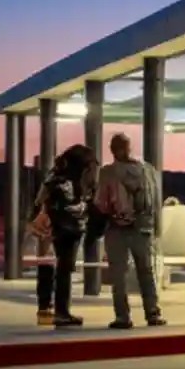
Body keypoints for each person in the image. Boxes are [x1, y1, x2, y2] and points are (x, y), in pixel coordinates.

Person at [94, 133, 166, 329]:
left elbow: (101, 203)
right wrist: (156, 229)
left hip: (117, 229)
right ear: (129, 147)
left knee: (118, 275)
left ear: (112, 150)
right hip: (143, 228)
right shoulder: (148, 170)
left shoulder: (107, 172)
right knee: (146, 272)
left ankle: (122, 317)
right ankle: (153, 313)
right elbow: (156, 202)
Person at [28, 145, 97, 328]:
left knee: (52, 268)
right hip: (66, 228)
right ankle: (60, 312)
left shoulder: (54, 175)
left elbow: (39, 200)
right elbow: (80, 202)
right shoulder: (75, 179)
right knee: (62, 270)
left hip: (54, 227)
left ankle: (46, 310)